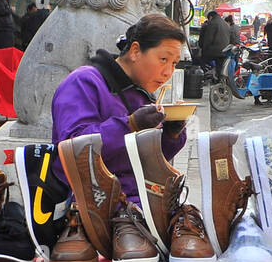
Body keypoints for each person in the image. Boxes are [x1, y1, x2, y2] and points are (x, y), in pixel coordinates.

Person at [50, 13, 189, 205]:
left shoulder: (141, 92)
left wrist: (172, 134)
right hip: (94, 201)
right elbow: (75, 150)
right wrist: (130, 124)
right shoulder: (83, 82)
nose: (168, 72)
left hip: (142, 197)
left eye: (174, 63)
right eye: (163, 59)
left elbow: (149, 158)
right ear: (135, 51)